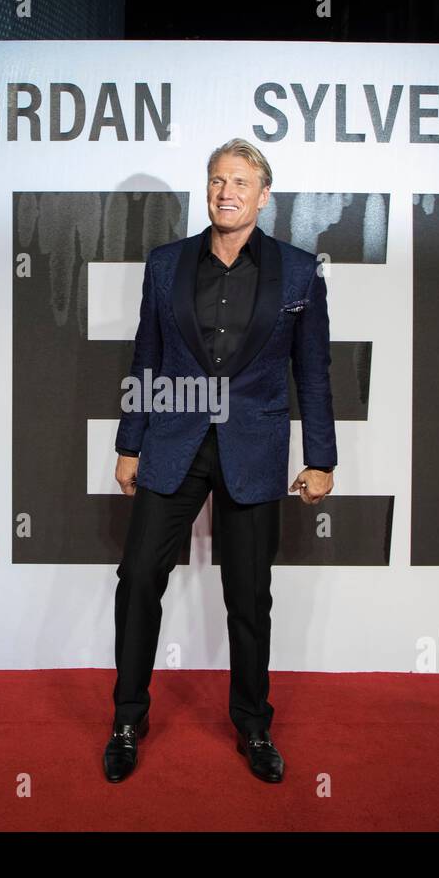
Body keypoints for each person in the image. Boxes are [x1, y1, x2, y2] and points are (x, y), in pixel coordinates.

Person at [105, 137, 337, 783]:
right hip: (172, 444)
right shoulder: (166, 265)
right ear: (205, 190)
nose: (225, 192)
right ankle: (127, 717)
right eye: (215, 180)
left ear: (264, 196)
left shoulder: (297, 273)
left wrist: (321, 457)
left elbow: (312, 372)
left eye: (239, 182)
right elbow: (145, 358)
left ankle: (254, 727)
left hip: (255, 449)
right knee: (138, 580)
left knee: (249, 597)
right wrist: (130, 442)